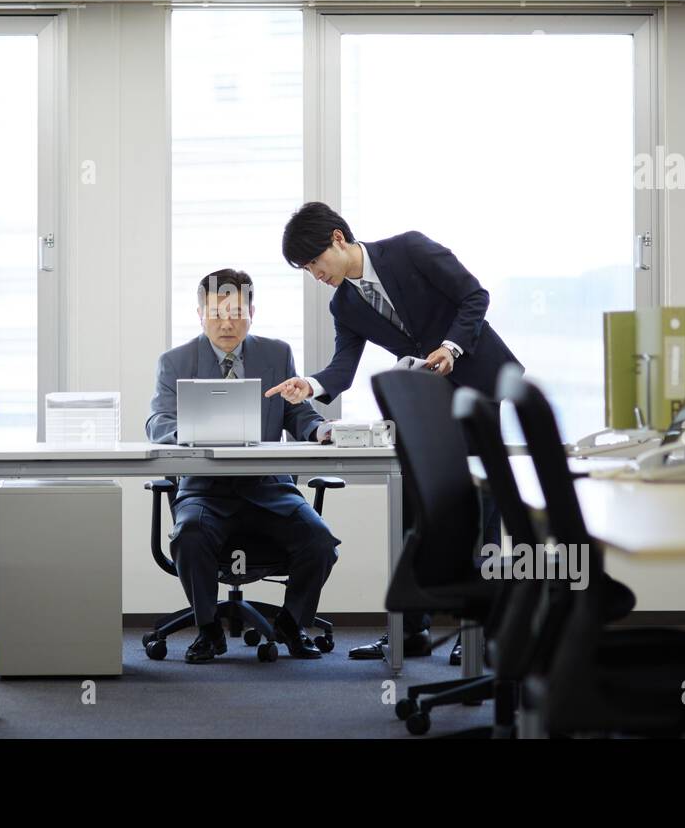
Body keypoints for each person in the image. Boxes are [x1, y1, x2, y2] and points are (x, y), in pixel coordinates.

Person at [267, 203, 523, 663]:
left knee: (481, 504)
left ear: (338, 239)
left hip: (478, 382)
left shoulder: (409, 249)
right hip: (424, 401)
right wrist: (311, 384)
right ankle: (410, 631)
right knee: (410, 509)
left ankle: (480, 630)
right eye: (306, 270)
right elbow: (344, 368)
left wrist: (450, 346)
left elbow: (474, 297)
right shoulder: (344, 303)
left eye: (314, 263)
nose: (315, 275)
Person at [146, 268, 340, 663]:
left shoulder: (276, 354)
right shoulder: (175, 361)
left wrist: (320, 430)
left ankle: (291, 624)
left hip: (269, 488)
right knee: (190, 536)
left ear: (253, 311)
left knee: (319, 541)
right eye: (217, 313)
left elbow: (298, 415)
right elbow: (158, 423)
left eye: (237, 311)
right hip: (205, 491)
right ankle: (208, 628)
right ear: (200, 314)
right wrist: (194, 433)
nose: (228, 322)